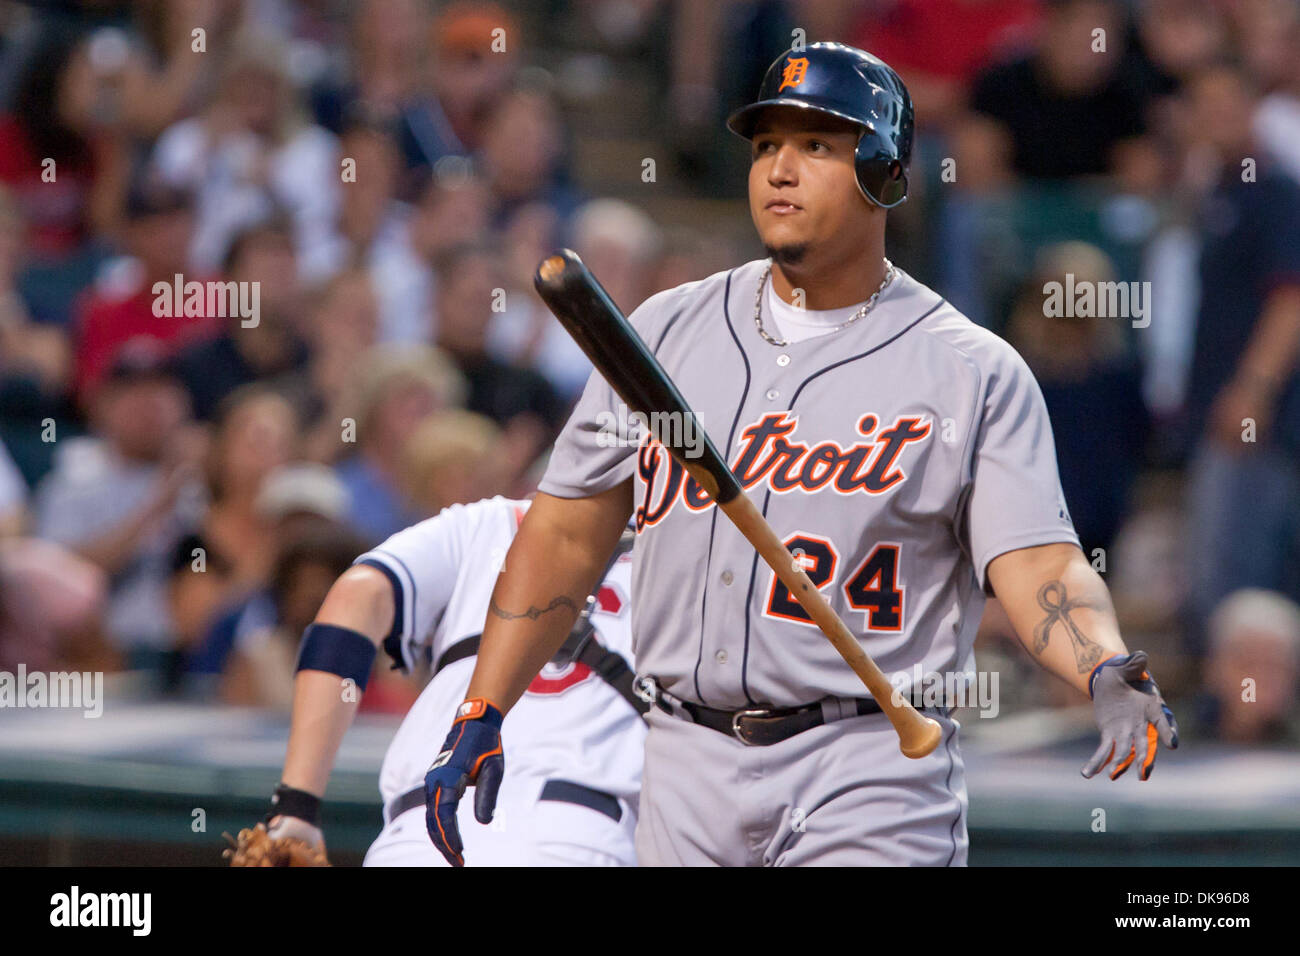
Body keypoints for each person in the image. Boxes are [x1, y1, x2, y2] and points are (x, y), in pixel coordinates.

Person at [423, 42, 1179, 868]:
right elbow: (568, 530)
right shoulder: (668, 329)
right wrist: (483, 707)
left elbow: (1036, 565)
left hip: (869, 764)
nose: (780, 169)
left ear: (886, 174)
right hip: (680, 757)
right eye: (766, 146)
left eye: (816, 145)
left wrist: (1101, 665)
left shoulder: (968, 370)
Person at [252, 495, 645, 866]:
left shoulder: (493, 521)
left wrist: (297, 804)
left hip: (423, 832)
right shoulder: (694, 560)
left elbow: (356, 600)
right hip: (582, 833)